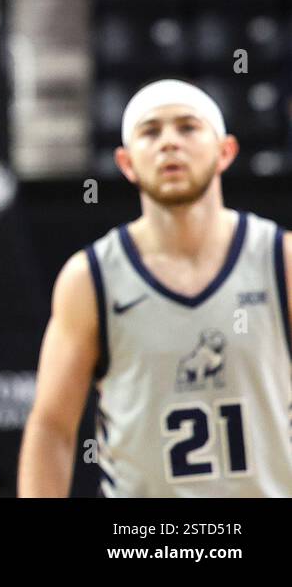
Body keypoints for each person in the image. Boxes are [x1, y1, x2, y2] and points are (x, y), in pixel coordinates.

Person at [20, 79, 292, 496]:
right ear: (127, 163)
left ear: (225, 152)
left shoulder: (281, 259)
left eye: (187, 127)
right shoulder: (91, 277)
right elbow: (52, 427)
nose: (169, 143)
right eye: (150, 131)